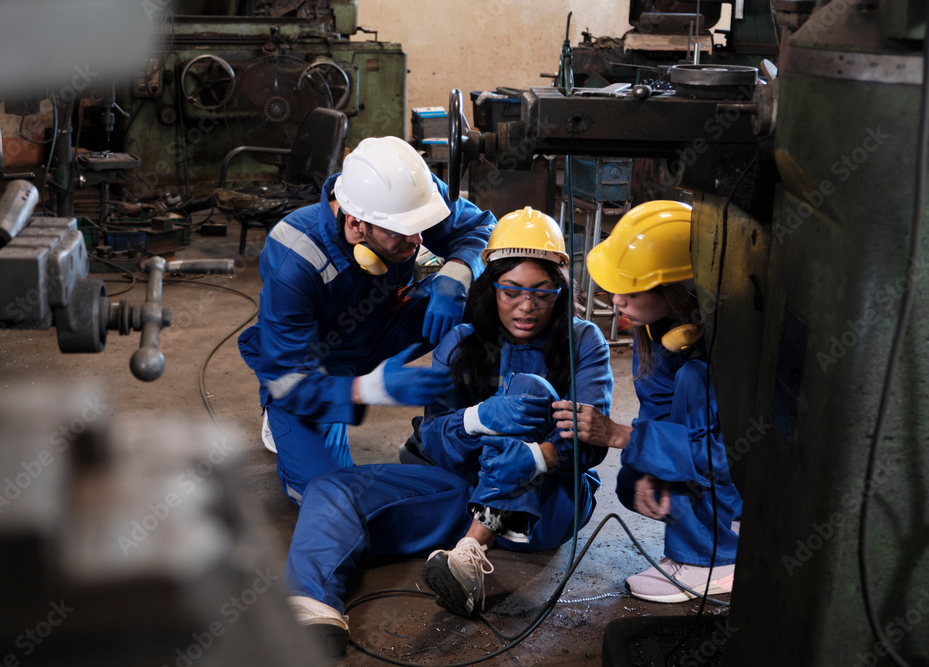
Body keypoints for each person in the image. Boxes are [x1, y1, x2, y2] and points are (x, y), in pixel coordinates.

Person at [281, 207, 614, 657]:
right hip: (462, 489)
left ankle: (474, 550)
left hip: (547, 504)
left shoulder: (583, 341)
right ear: (491, 286)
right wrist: (477, 419)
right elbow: (435, 436)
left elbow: (590, 442)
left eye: (543, 292)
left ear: (561, 290)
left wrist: (540, 456)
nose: (527, 305)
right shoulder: (461, 340)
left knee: (531, 391)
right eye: (511, 290)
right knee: (332, 490)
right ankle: (312, 602)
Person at [237, 136, 495, 503]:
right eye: (401, 234)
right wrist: (370, 389)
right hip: (313, 364)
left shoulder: (408, 197)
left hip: (382, 324)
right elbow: (289, 379)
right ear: (357, 223)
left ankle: (454, 431)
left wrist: (456, 272)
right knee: (326, 494)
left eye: (420, 227)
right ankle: (286, 420)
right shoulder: (292, 257)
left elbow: (483, 228)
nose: (418, 240)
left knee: (492, 292)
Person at [553, 200, 742, 603]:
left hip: (747, 475)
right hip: (711, 458)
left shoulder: (727, 352)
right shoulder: (658, 332)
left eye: (631, 289)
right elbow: (657, 408)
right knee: (632, 479)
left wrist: (623, 436)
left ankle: (716, 559)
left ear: (677, 290)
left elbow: (726, 456)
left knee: (688, 390)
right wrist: (650, 465)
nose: (615, 298)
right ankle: (708, 539)